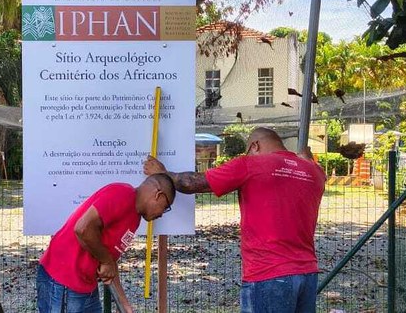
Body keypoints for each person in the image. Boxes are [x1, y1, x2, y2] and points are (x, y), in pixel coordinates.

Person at [144, 127, 326, 313]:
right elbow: (306, 164)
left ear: (255, 146)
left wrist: (163, 173)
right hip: (308, 273)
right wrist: (305, 159)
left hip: (267, 274)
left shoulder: (251, 164)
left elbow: (190, 182)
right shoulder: (314, 171)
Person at [36, 174, 177, 313]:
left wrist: (124, 305)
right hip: (63, 278)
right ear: (158, 195)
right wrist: (107, 261)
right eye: (165, 207)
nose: (162, 214)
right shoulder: (122, 193)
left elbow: (109, 262)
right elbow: (83, 229)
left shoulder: (135, 218)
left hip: (86, 284)